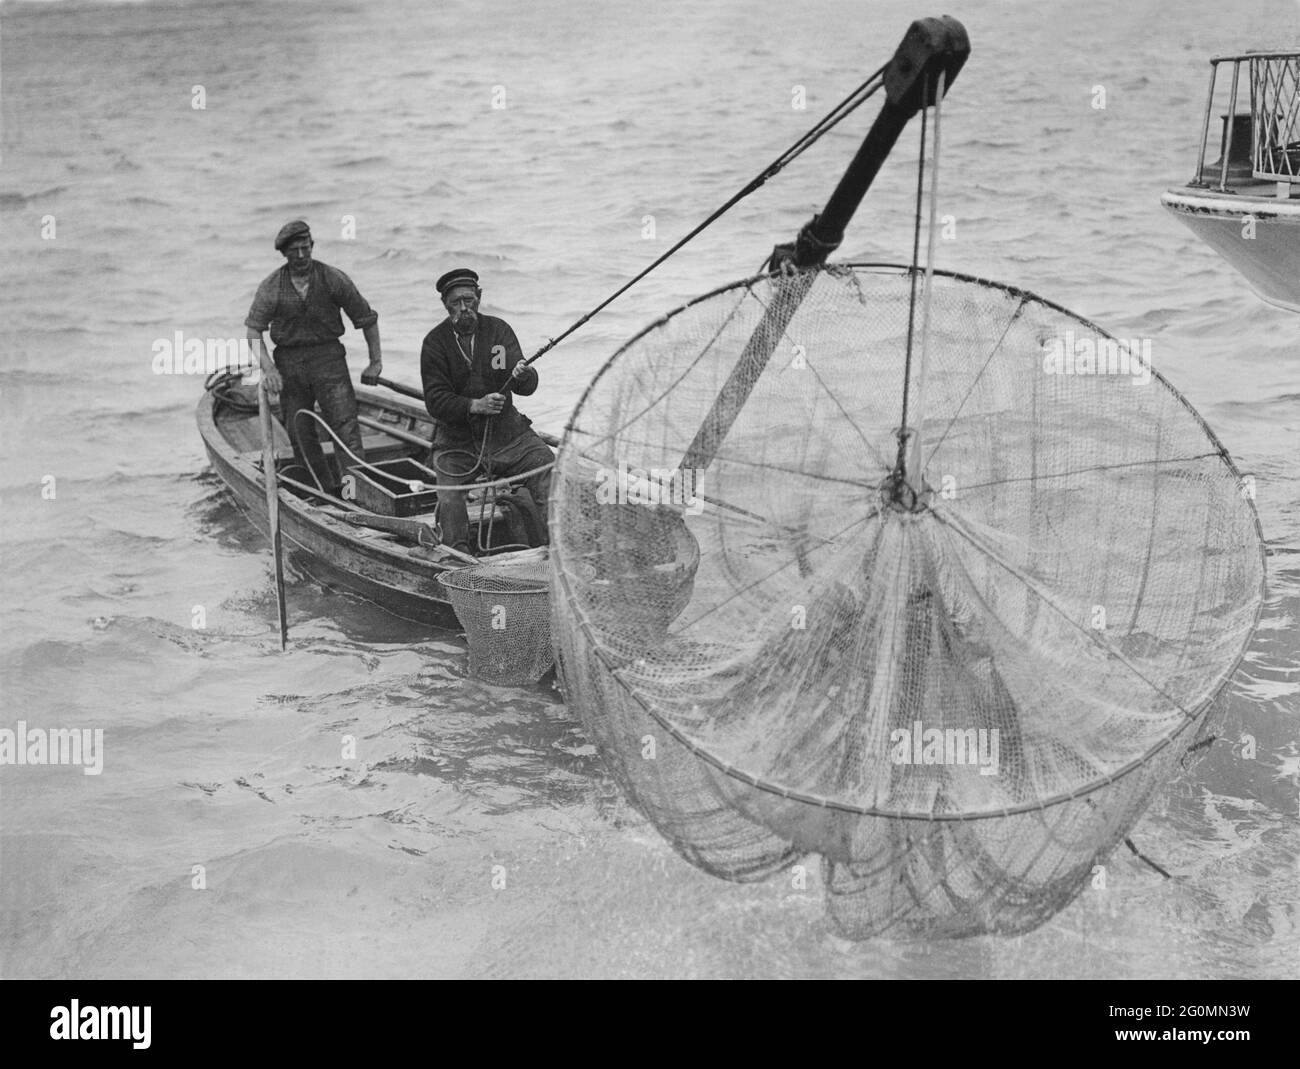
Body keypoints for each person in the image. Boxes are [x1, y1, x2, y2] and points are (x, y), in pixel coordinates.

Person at [419, 268, 554, 555]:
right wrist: (473, 405)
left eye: (469, 300)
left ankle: (560, 546)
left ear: (479, 298)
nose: (464, 309)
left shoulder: (498, 331)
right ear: (445, 304)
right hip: (458, 443)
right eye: (456, 303)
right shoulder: (434, 343)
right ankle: (457, 559)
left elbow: (525, 387)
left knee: (546, 465)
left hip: (508, 436)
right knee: (449, 496)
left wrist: (524, 375)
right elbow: (435, 401)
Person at [244, 219, 383, 491]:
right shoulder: (271, 287)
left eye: (305, 248)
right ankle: (323, 491)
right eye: (294, 250)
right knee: (300, 432)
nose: (301, 256)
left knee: (346, 431)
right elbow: (253, 332)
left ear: (312, 246)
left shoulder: (333, 278)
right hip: (290, 365)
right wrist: (269, 369)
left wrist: (375, 362)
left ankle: (356, 494)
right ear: (284, 254)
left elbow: (367, 319)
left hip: (329, 360)